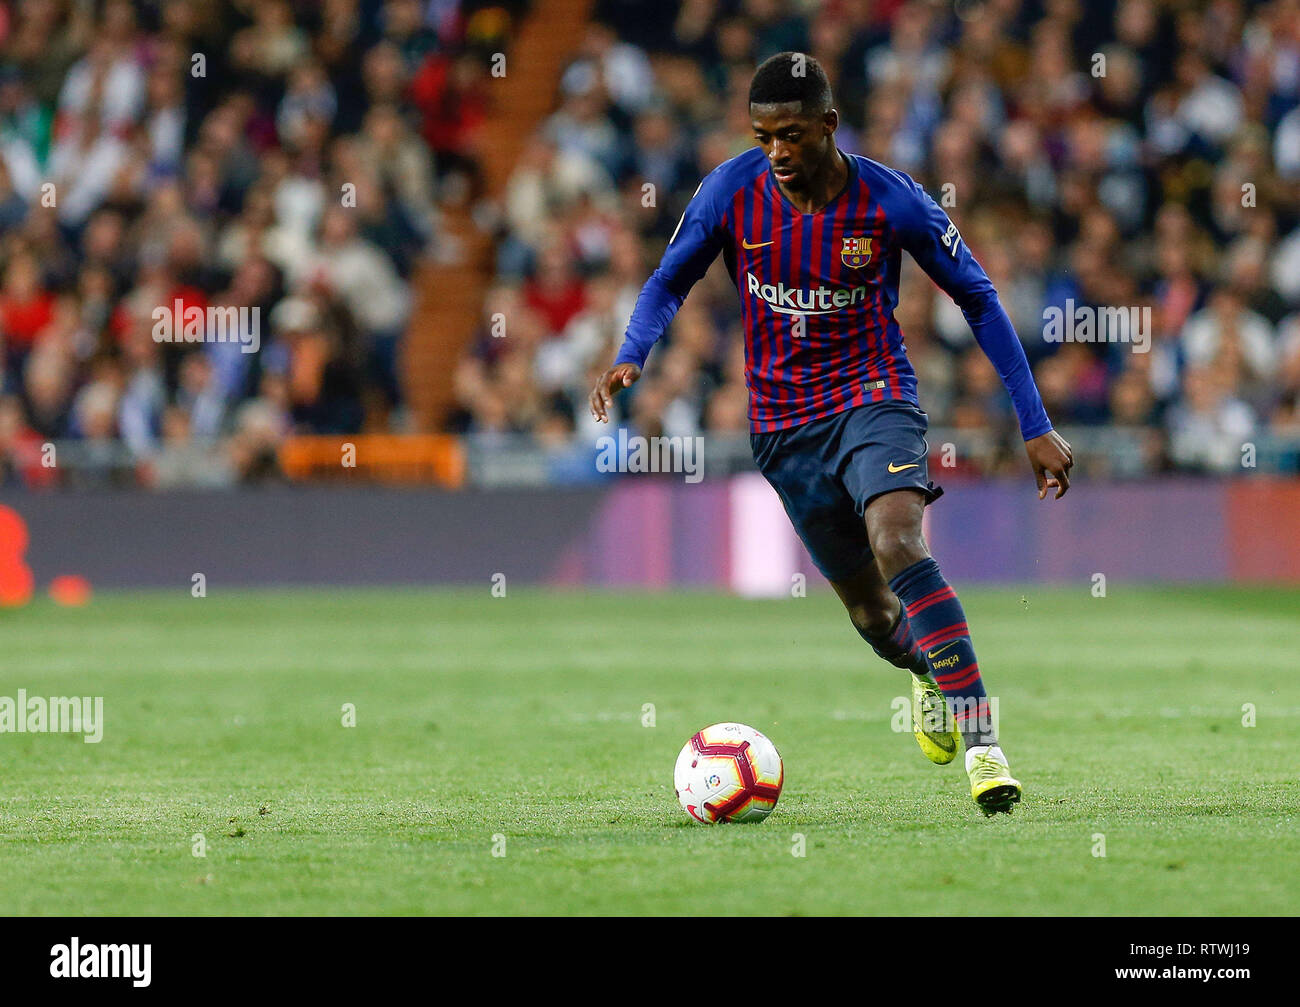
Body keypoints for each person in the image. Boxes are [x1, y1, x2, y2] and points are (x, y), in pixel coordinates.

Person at [589, 52, 1074, 815]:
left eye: (790, 134)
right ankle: (927, 670)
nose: (776, 151)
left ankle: (984, 744)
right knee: (876, 617)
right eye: (762, 136)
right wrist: (631, 352)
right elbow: (667, 279)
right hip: (784, 428)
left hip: (874, 398)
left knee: (898, 539)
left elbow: (978, 298)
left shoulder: (892, 200)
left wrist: (1034, 422)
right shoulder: (731, 192)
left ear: (828, 125)